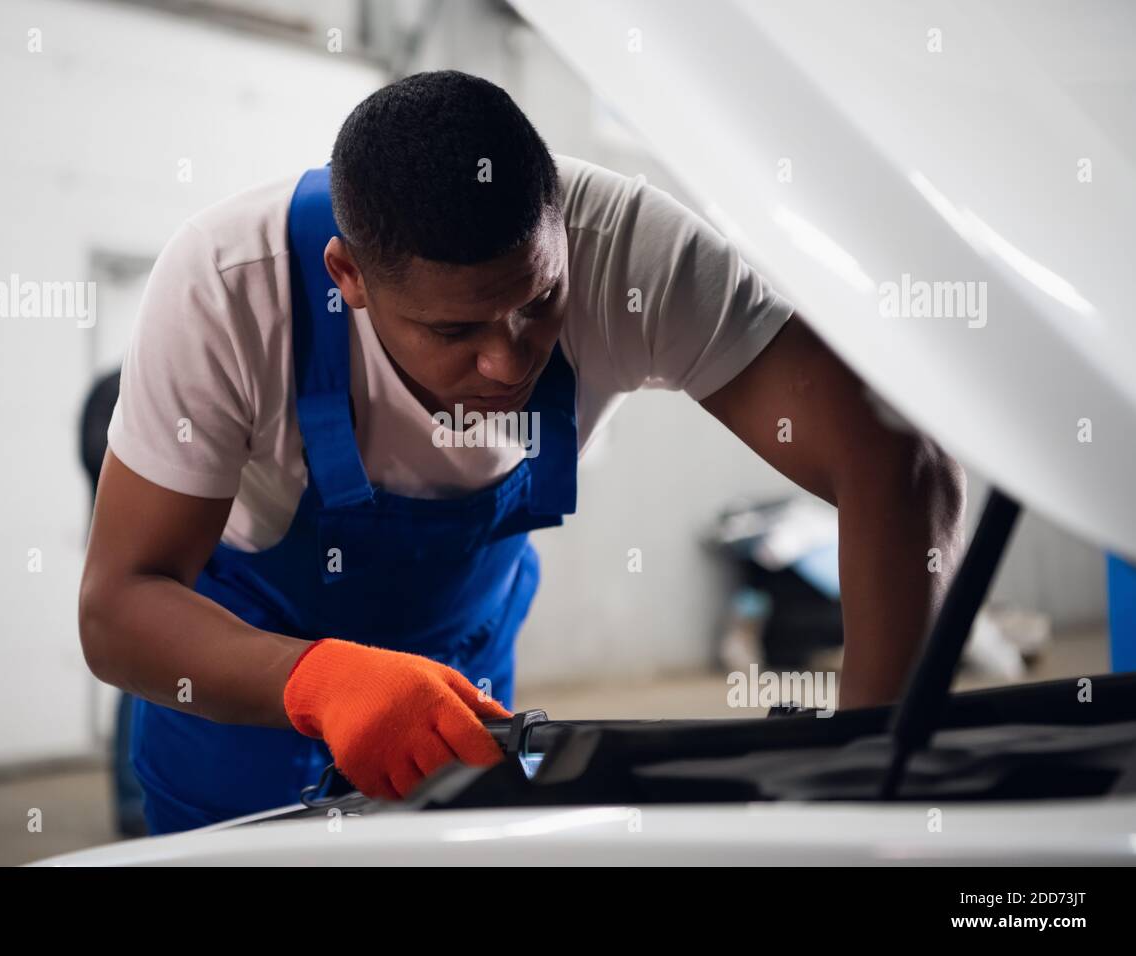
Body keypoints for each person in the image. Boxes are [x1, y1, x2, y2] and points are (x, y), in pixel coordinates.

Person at [77, 70, 965, 834]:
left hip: (464, 656)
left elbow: (898, 463)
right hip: (248, 665)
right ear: (347, 277)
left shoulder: (630, 253)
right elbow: (119, 607)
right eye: (454, 330)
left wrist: (873, 765)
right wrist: (321, 679)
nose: (506, 362)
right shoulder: (227, 289)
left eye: (537, 304)